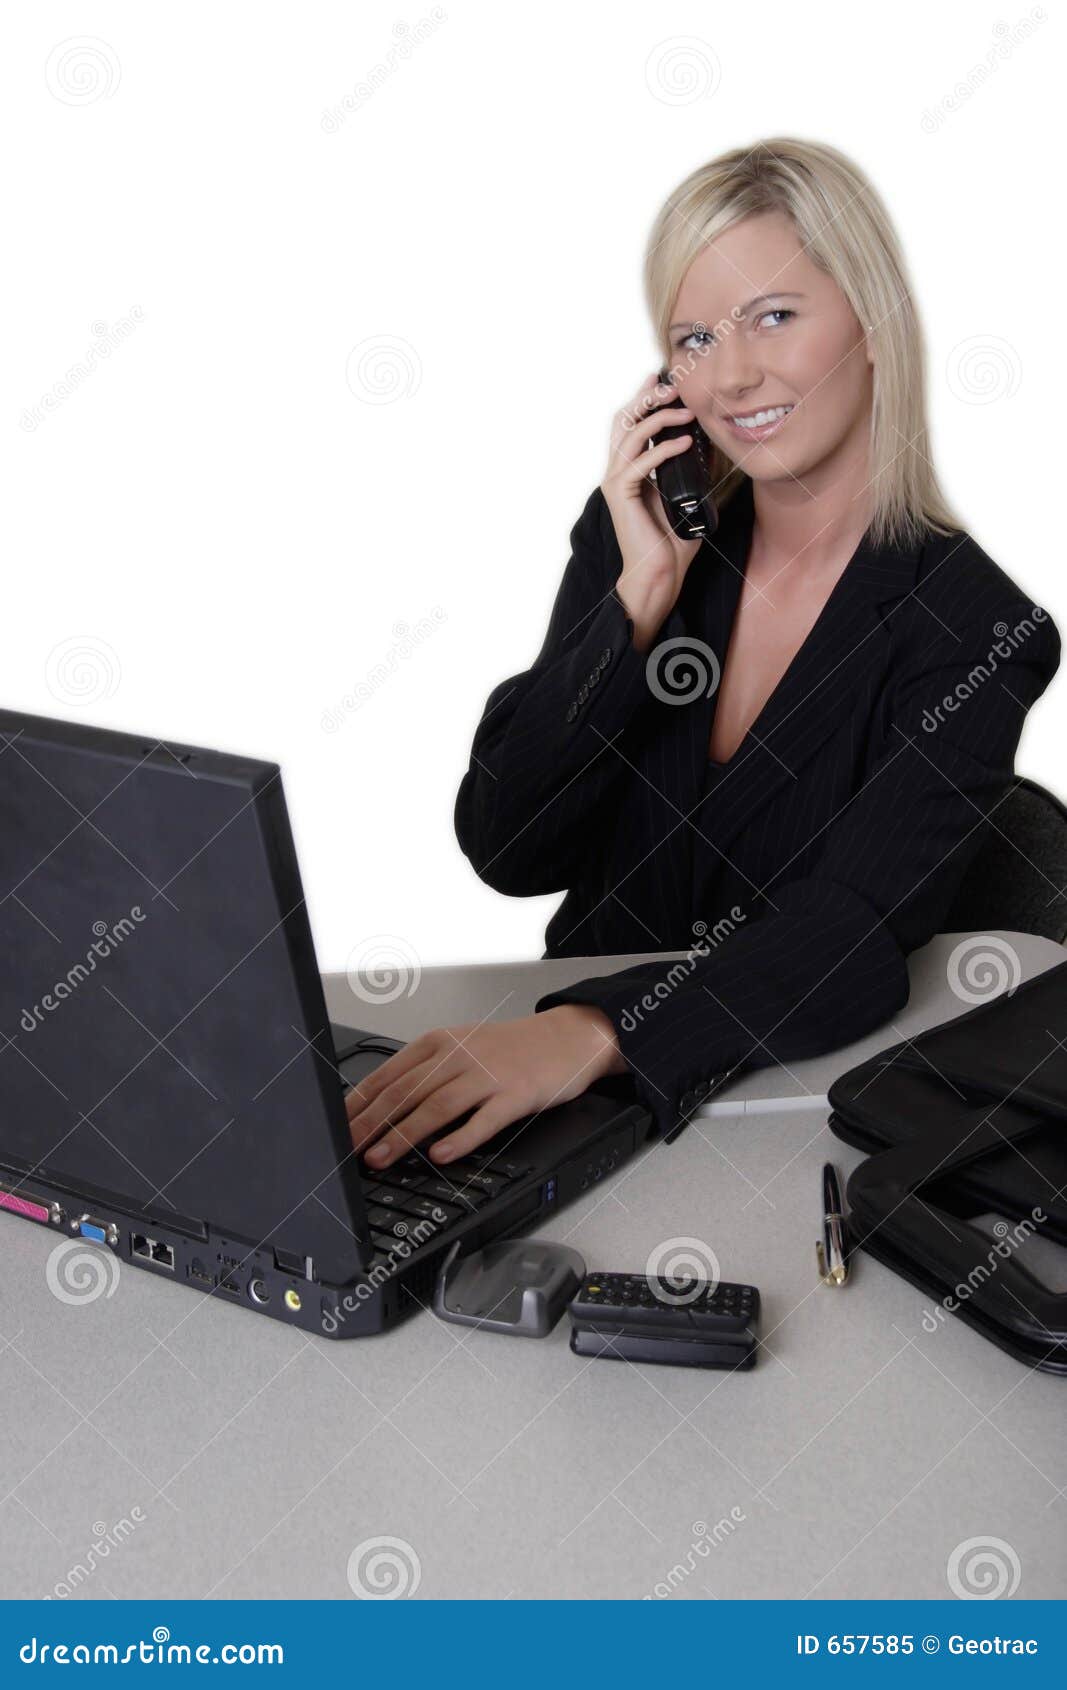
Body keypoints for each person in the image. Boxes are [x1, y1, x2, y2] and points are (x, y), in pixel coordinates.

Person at [346, 135, 1060, 1168]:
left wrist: (595, 1032)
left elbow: (849, 933)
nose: (728, 376)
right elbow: (507, 846)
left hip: (772, 1103)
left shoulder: (971, 629)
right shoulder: (647, 538)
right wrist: (635, 602)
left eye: (772, 315)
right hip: (542, 1086)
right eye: (691, 339)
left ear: (871, 322)